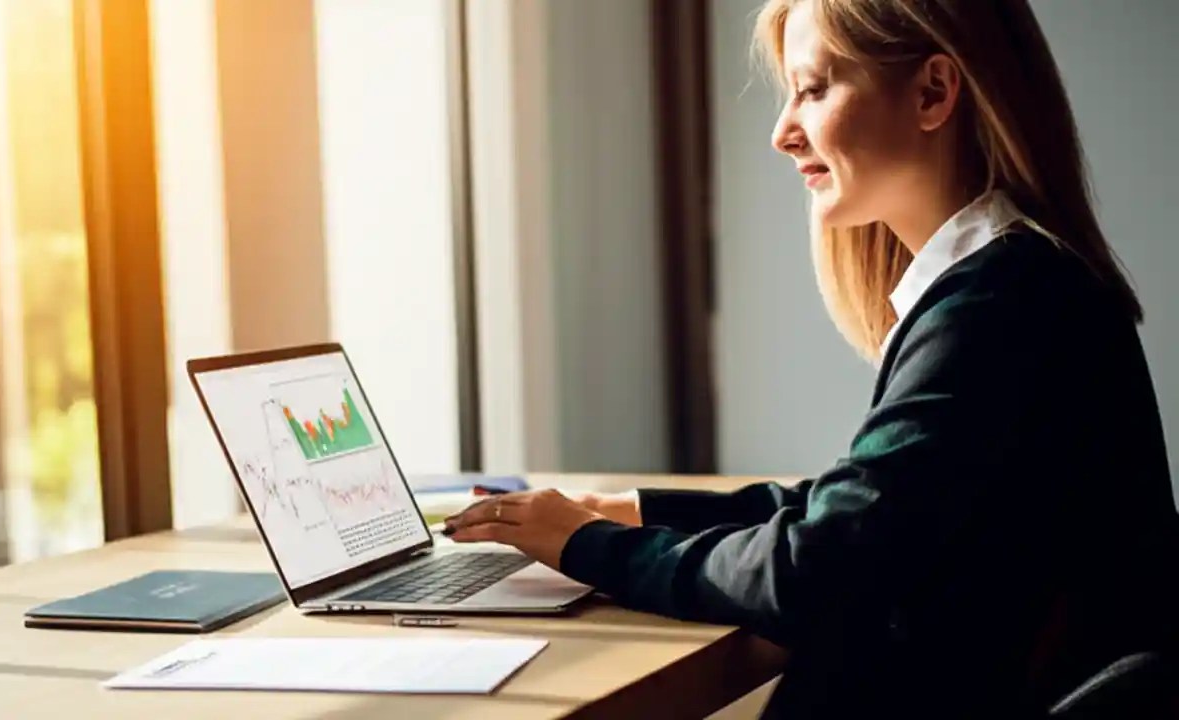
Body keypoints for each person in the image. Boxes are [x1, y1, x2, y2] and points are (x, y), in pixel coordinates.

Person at [443, 0, 1179, 716]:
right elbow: (861, 508)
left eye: (814, 89)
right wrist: (635, 513)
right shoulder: (1016, 283)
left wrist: (589, 548)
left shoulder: (999, 308)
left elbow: (815, 569)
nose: (783, 134)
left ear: (933, 92)